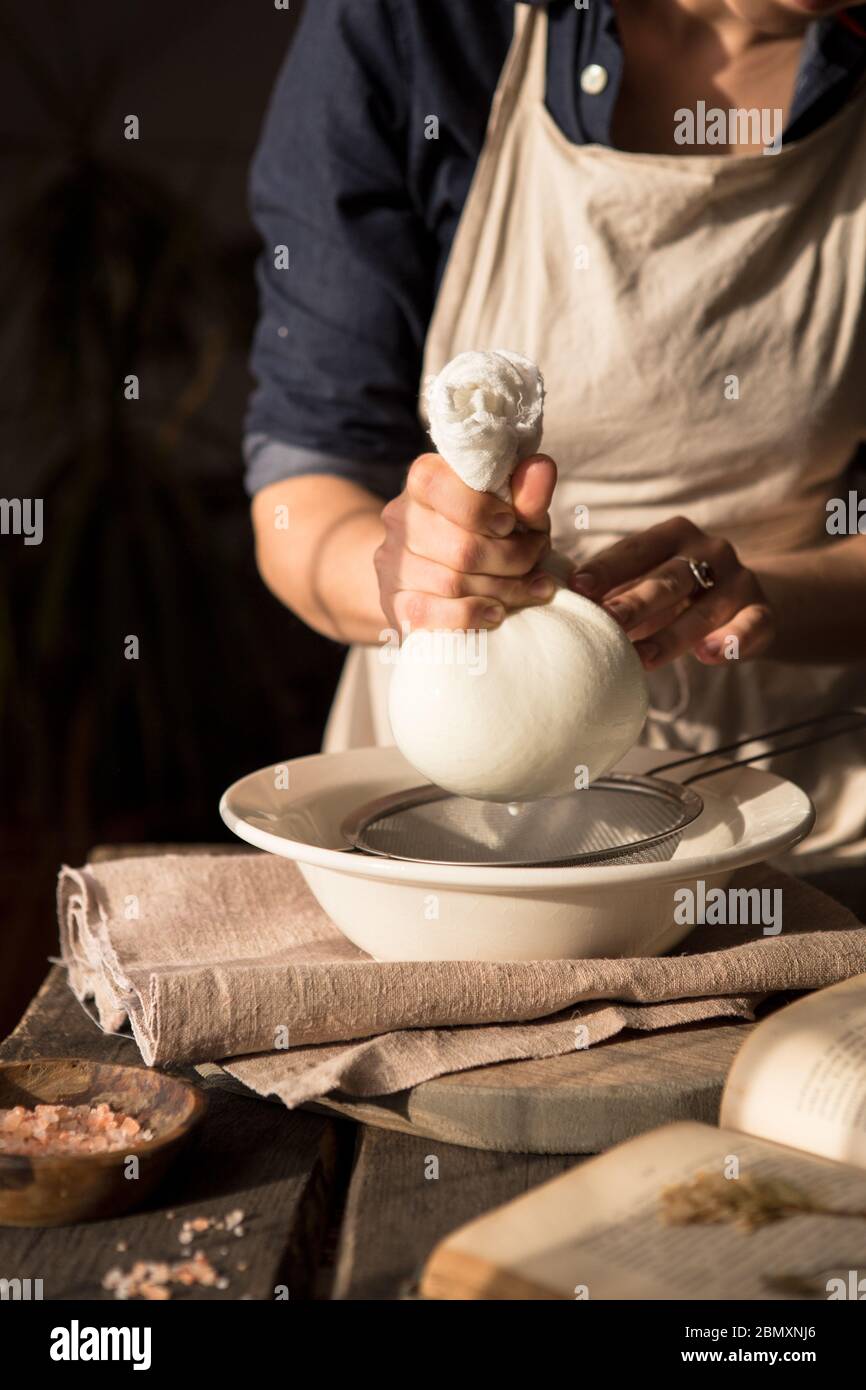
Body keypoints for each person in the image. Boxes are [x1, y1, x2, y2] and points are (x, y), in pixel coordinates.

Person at [245, 0, 866, 862]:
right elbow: (303, 495)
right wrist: (408, 577)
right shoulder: (424, 25)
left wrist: (760, 596)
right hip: (437, 791)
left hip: (787, 801)